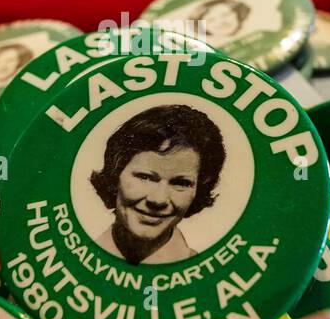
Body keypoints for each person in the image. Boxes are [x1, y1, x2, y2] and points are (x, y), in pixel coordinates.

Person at [89, 104, 227, 265]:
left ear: (198, 191)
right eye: (145, 177)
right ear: (115, 176)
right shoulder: (73, 261)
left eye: (181, 183)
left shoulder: (208, 278)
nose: (158, 200)